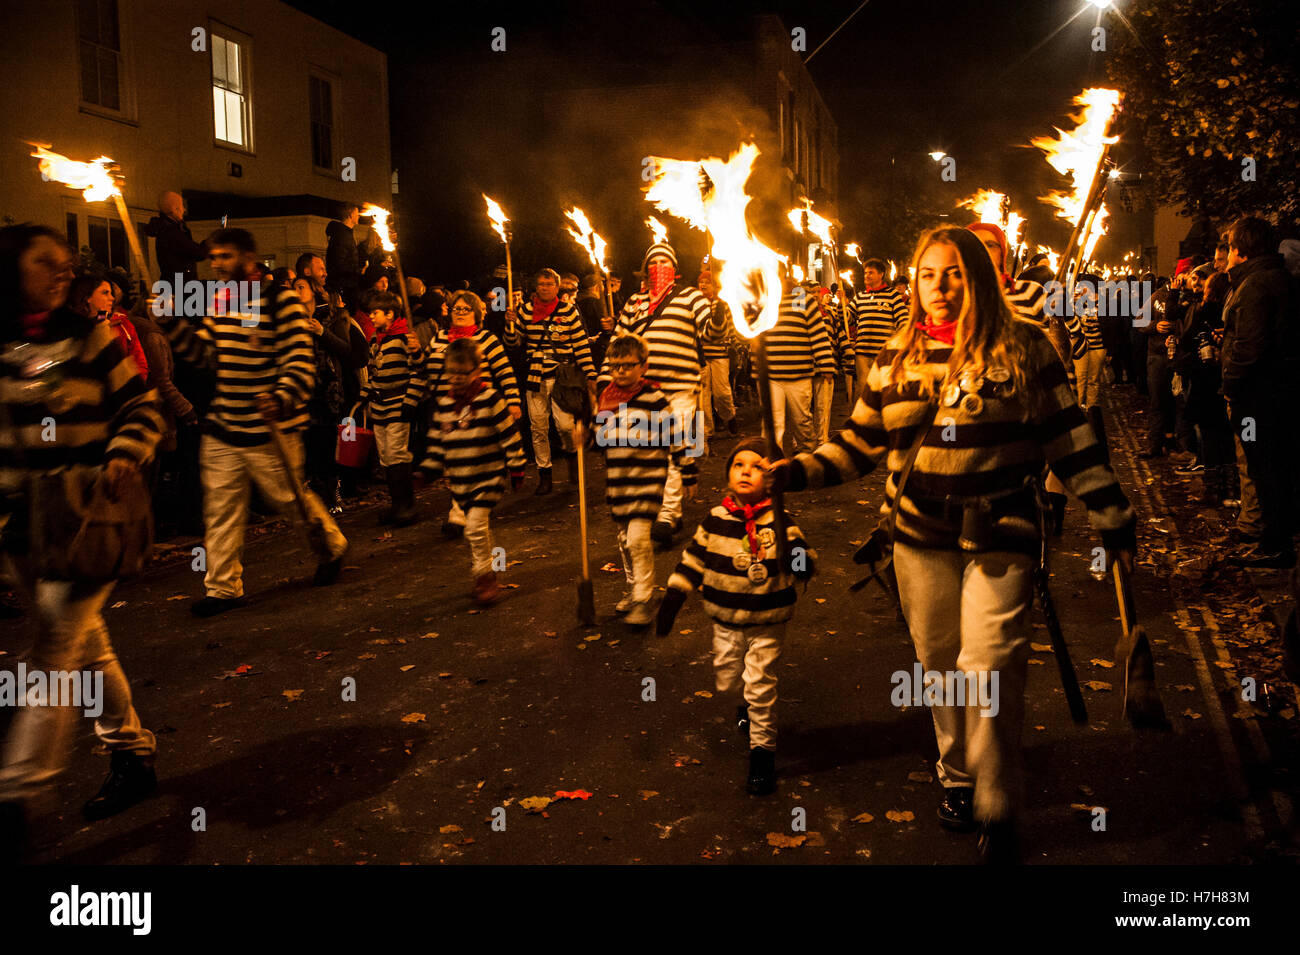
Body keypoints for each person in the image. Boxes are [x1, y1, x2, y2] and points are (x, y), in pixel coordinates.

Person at [766, 227, 1136, 862]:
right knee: (940, 667)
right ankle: (958, 775)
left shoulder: (1024, 346)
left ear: (980, 279)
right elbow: (858, 446)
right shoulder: (895, 356)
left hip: (1004, 531)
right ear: (915, 283)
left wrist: (1111, 512)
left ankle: (997, 795)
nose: (940, 287)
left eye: (955, 273)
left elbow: (1068, 436)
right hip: (919, 538)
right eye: (929, 274)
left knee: (988, 664)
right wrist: (792, 471)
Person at [0, 225, 166, 860]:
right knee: (87, 650)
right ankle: (133, 755)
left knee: (52, 653)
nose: (62, 269)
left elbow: (142, 408)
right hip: (25, 536)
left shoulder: (89, 337)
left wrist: (124, 455)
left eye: (65, 261)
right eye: (46, 261)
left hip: (89, 525)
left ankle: (19, 794)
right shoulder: (7, 349)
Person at [156, 228, 349, 617]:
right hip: (225, 426)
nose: (217, 264)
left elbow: (299, 360)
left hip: (270, 429)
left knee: (289, 501)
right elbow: (206, 357)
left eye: (224, 256)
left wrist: (280, 395)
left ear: (247, 256)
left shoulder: (281, 302)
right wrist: (171, 324)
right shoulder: (223, 301)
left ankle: (330, 546)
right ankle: (223, 588)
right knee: (221, 510)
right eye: (213, 257)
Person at [657, 437, 816, 796]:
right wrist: (674, 596)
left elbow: (805, 561)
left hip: (767, 618)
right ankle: (742, 703)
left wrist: (799, 560)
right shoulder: (714, 520)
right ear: (728, 473)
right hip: (725, 619)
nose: (746, 471)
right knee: (729, 681)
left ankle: (762, 754)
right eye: (739, 464)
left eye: (758, 467)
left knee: (760, 683)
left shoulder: (780, 519)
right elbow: (693, 560)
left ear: (773, 478)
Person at [598, 241, 727, 545]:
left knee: (673, 449)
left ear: (675, 268)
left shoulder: (692, 297)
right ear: (645, 270)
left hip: (681, 386)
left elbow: (710, 332)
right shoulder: (634, 302)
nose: (659, 268)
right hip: (642, 392)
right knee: (651, 453)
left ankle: (668, 515)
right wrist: (606, 382)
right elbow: (619, 345)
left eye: (665, 262)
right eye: (653, 263)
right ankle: (664, 505)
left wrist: (719, 311)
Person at [594, 334, 698, 626]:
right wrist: (587, 436)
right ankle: (633, 586)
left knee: (639, 539)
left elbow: (676, 436)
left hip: (648, 481)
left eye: (628, 365)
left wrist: (687, 470)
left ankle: (644, 596)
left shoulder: (654, 398)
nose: (621, 372)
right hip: (619, 482)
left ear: (643, 366)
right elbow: (600, 439)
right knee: (625, 540)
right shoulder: (607, 399)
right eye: (615, 366)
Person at [421, 338, 526, 604]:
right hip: (460, 482)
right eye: (451, 372)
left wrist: (516, 466)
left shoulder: (490, 399)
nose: (456, 378)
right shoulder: (444, 404)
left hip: (487, 477)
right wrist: (428, 469)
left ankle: (485, 576)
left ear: (476, 371)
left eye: (462, 373)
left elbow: (510, 435)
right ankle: (488, 564)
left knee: (474, 528)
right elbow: (436, 443)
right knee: (477, 528)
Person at [1219, 216, 1298, 569]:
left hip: (1258, 395)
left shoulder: (1255, 286)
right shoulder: (1279, 279)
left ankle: (1275, 544)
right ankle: (1276, 538)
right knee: (1275, 466)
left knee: (1264, 468)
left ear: (1240, 249)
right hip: (1278, 392)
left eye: (1231, 247)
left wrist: (1230, 386)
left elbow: (1249, 346)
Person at [425, 290, 521, 538]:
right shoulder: (439, 338)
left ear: (476, 314)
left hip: (478, 408)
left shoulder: (486, 339)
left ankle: (460, 515)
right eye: (456, 308)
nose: (459, 312)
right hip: (448, 407)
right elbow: (428, 370)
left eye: (465, 309)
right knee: (455, 462)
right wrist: (417, 354)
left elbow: (504, 371)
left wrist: (512, 400)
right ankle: (462, 509)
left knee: (473, 460)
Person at [504, 268, 597, 495]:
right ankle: (544, 474)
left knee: (565, 425)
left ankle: (571, 456)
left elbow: (581, 345)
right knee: (538, 428)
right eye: (541, 284)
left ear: (557, 288)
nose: (545, 288)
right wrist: (511, 324)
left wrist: (590, 374)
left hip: (562, 376)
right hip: (535, 375)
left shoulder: (568, 311)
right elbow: (513, 343)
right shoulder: (524, 311)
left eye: (549, 284)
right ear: (536, 287)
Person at [362, 291, 425, 527]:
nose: (371, 316)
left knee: (398, 454)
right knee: (386, 456)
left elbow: (419, 370)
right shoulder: (376, 341)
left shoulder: (403, 339)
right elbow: (374, 373)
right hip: (379, 407)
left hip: (398, 405)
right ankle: (396, 504)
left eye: (375, 312)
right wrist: (364, 396)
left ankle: (406, 505)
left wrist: (410, 401)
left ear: (390, 314)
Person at [762, 278, 836, 455]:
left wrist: (826, 364)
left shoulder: (802, 299)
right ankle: (772, 463)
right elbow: (750, 334)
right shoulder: (762, 299)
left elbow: (818, 334)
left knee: (802, 422)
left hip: (799, 373)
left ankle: (806, 456)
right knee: (773, 424)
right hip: (770, 375)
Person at [68, 274, 149, 381]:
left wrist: (133, 386)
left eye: (111, 293)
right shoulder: (72, 328)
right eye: (105, 293)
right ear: (88, 297)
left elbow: (140, 362)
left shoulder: (122, 324)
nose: (112, 298)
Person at [849, 257, 908, 387]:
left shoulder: (893, 295)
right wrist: (841, 305)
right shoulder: (860, 296)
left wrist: (896, 345)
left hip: (884, 352)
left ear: (881, 274)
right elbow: (848, 319)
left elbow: (903, 321)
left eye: (871, 272)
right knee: (864, 388)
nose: (867, 275)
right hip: (862, 353)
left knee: (883, 387)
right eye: (865, 273)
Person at [698, 270, 739, 436]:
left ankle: (729, 415)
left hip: (720, 353)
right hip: (701, 354)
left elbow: (730, 327)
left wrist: (735, 346)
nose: (703, 285)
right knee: (703, 394)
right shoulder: (696, 303)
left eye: (707, 282)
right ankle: (707, 430)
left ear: (715, 285)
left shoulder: (723, 303)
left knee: (722, 392)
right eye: (701, 282)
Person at [143, 190, 206, 286]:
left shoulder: (165, 230)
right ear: (174, 209)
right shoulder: (171, 233)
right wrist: (211, 242)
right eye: (181, 206)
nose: (184, 210)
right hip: (180, 287)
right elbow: (198, 253)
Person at [325, 203, 361, 311]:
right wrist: (358, 270)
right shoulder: (342, 236)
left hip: (346, 286)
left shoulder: (345, 234)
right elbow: (338, 264)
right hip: (344, 288)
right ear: (350, 215)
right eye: (357, 214)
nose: (359, 216)